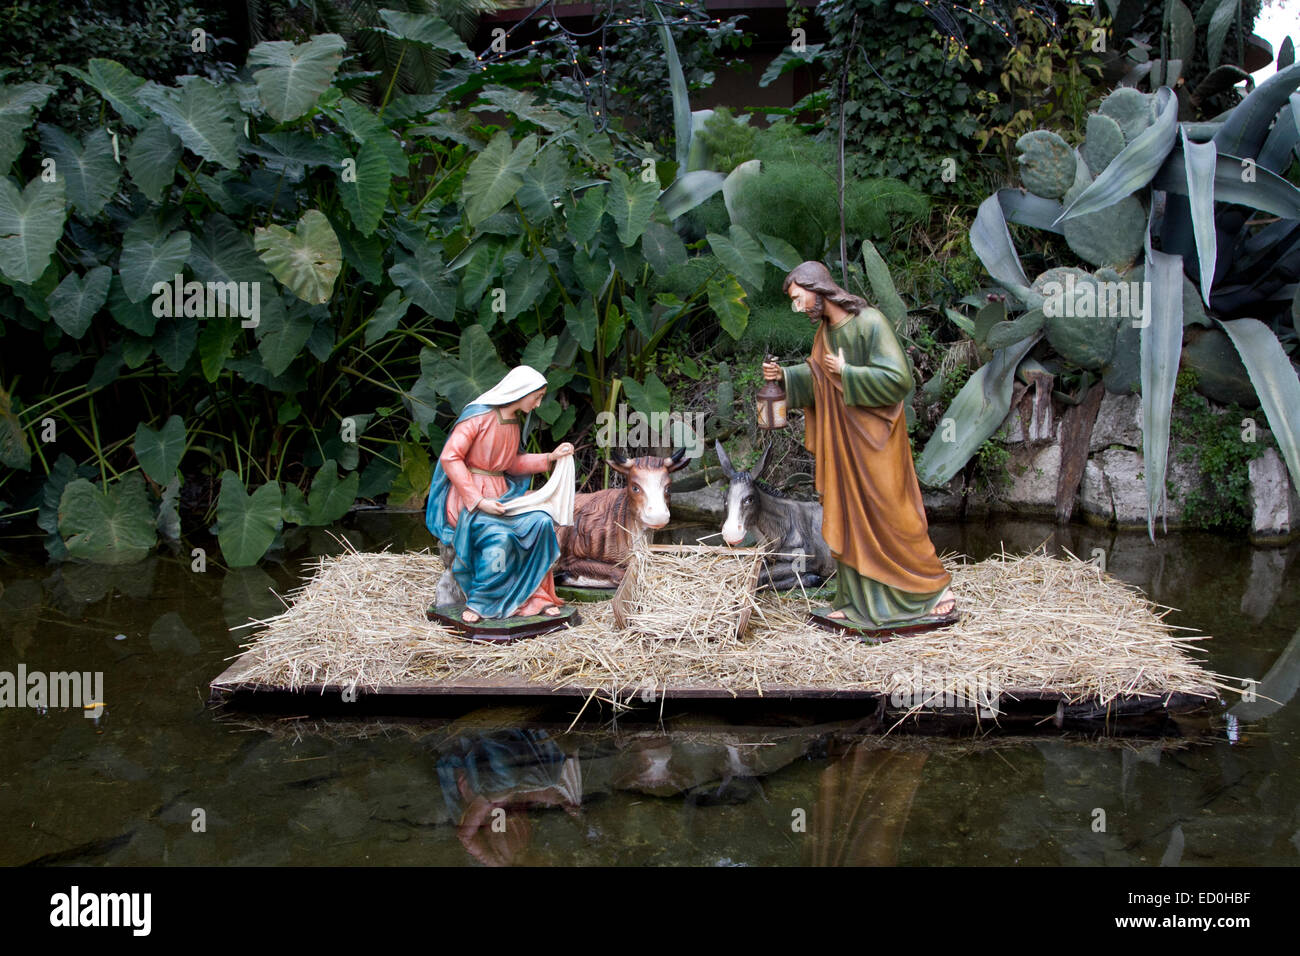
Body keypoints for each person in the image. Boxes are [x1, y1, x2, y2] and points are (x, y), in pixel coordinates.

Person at [761, 261, 955, 628]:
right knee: (849, 518)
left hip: (876, 441)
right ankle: (856, 603)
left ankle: (933, 589)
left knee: (893, 512)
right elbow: (819, 379)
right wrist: (784, 377)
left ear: (816, 288)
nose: (798, 307)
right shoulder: (824, 333)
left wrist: (849, 373)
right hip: (842, 444)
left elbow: (899, 379)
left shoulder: (870, 323)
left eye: (799, 298)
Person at [425, 366, 575, 624]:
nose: (538, 404)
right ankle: (483, 602)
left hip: (503, 497)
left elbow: (510, 464)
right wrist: (479, 500)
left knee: (540, 523)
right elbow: (451, 457)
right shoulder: (478, 417)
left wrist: (550, 457)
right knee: (501, 536)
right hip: (469, 500)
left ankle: (537, 597)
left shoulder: (512, 422)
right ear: (521, 392)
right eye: (536, 397)